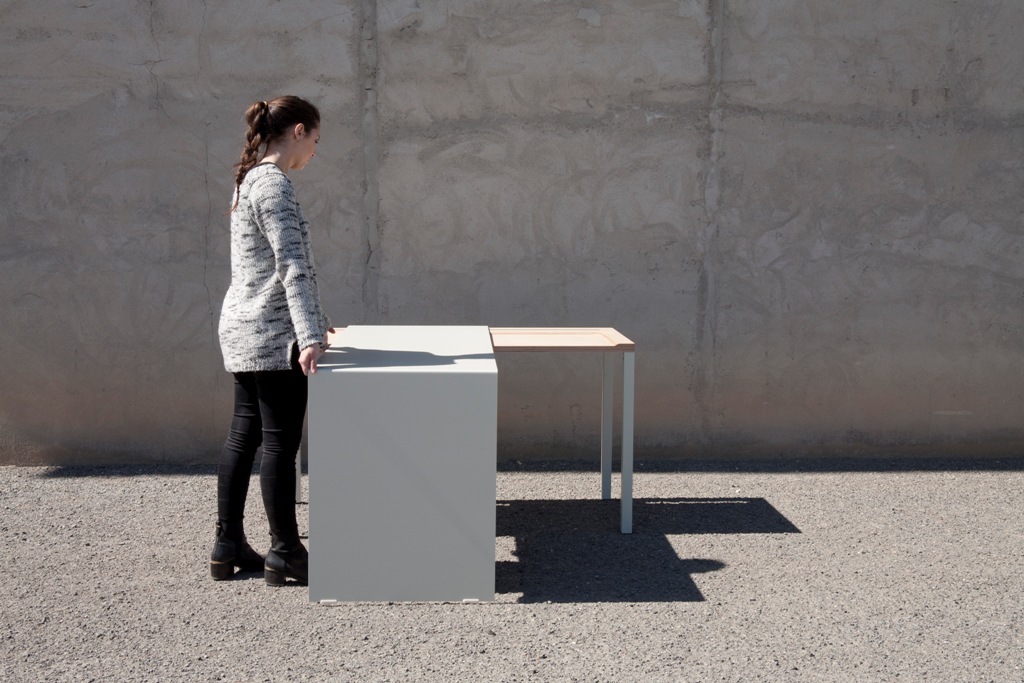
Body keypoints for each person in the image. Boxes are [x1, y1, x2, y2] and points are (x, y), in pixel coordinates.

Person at [211, 96, 333, 586]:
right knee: (279, 443)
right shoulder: (275, 185)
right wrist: (309, 335)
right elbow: (291, 266)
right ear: (298, 131)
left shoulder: (247, 181)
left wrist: (316, 320)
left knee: (244, 435)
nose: (314, 153)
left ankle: (227, 544)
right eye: (316, 142)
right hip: (272, 333)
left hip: (242, 326)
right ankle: (285, 551)